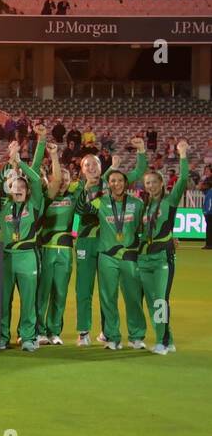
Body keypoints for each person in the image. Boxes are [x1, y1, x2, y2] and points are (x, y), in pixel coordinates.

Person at [69, 139, 146, 346]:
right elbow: (75, 213)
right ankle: (83, 332)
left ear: (101, 167)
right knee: (84, 289)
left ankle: (106, 331)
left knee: (108, 290)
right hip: (86, 242)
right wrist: (74, 233)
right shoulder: (76, 187)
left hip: (107, 245)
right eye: (87, 165)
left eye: (94, 164)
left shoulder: (112, 182)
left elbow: (139, 172)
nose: (91, 168)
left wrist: (140, 151)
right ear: (82, 169)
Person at [135, 142, 187, 355]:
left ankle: (162, 342)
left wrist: (183, 154)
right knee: (151, 301)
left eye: (154, 182)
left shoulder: (170, 200)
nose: (150, 185)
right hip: (145, 258)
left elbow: (183, 179)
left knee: (160, 300)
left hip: (162, 258)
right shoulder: (146, 205)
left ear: (161, 183)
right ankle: (168, 339)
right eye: (147, 182)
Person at [0, 137, 46, 351]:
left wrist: (20, 161)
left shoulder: (34, 205)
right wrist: (11, 160)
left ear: (27, 191)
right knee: (3, 300)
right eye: (15, 186)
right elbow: (1, 182)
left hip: (27, 256)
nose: (18, 189)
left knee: (28, 300)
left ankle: (27, 337)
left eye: (22, 187)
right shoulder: (4, 205)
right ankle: (2, 336)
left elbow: (35, 180)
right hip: (6, 256)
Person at [35, 141, 72, 345]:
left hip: (65, 251)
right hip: (46, 250)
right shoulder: (45, 198)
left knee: (60, 292)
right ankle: (39, 330)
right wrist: (54, 156)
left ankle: (54, 331)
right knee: (43, 292)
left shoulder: (74, 198)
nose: (63, 182)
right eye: (60, 179)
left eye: (67, 179)